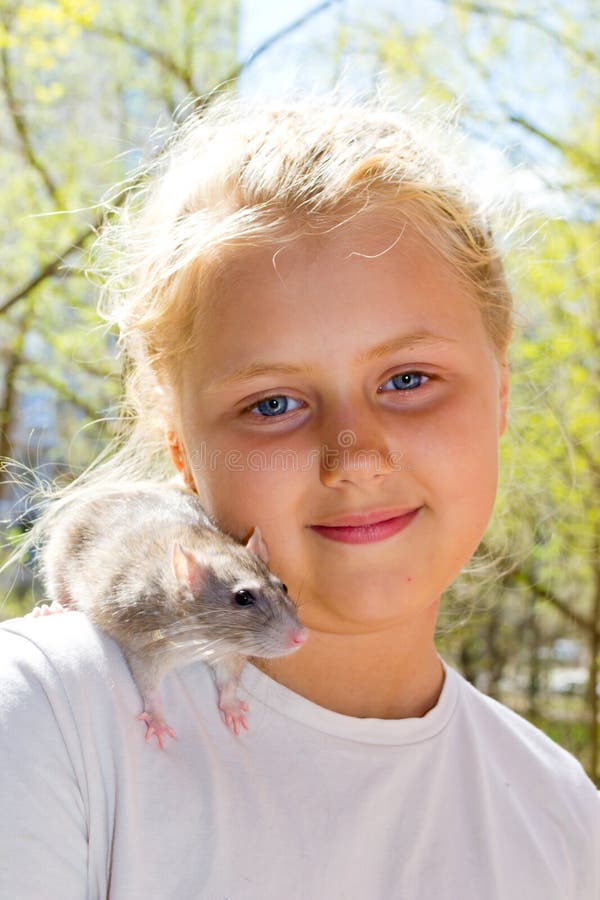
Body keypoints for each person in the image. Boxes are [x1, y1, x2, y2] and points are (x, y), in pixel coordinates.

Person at [0, 93, 598, 900]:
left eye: (409, 379)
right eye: (273, 403)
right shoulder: (47, 720)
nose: (354, 458)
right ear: (181, 447)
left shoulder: (562, 819)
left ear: (500, 395)